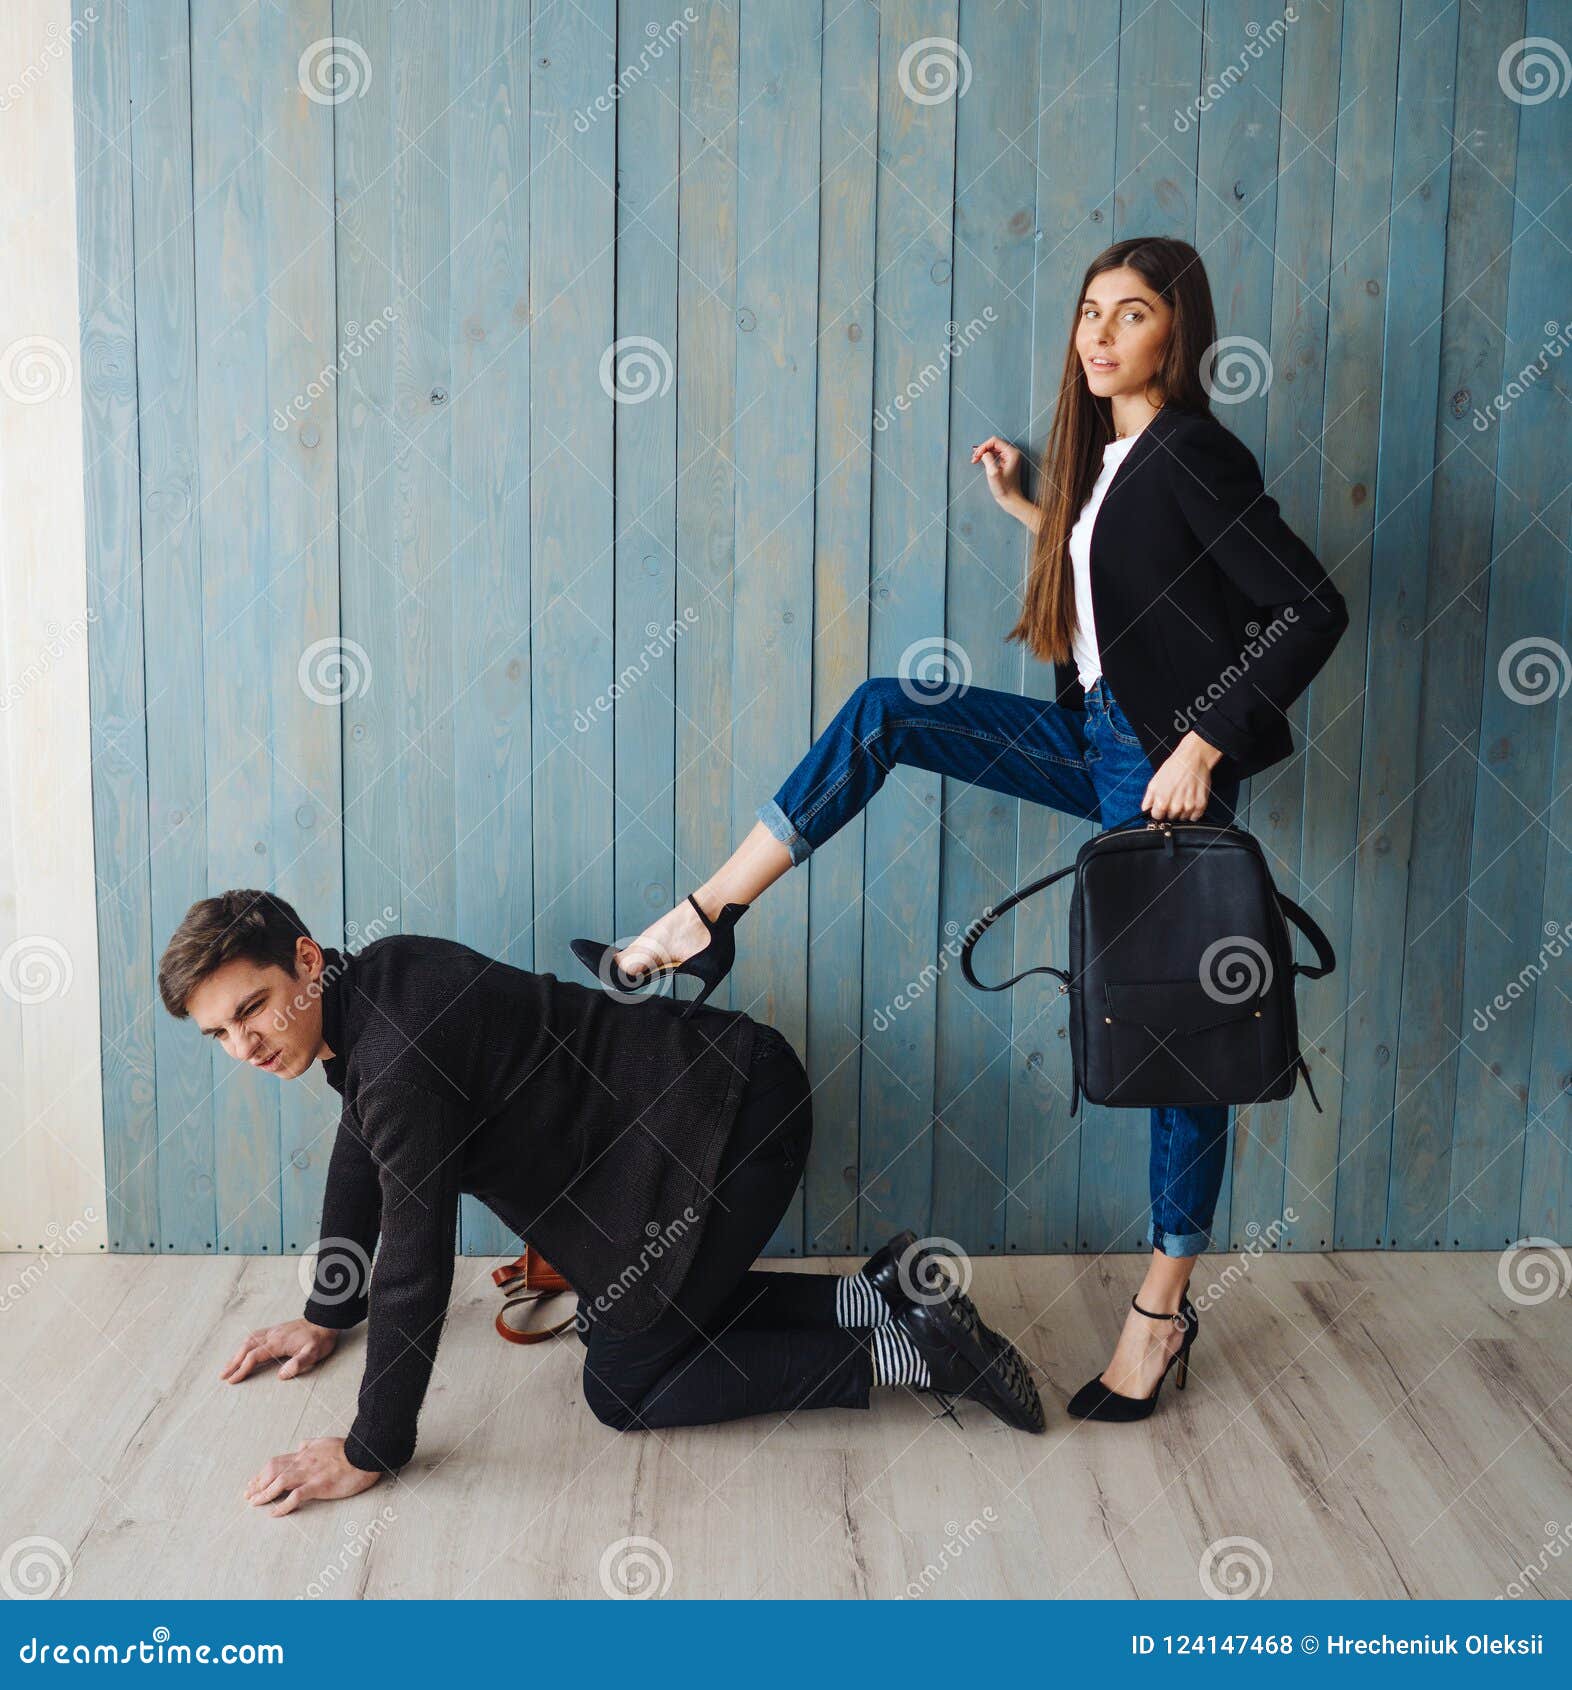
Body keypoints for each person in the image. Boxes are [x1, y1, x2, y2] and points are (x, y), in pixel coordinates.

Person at [574, 235, 1350, 1423]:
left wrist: (1205, 745)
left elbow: (1308, 605)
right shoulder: (1116, 459)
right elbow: (1127, 594)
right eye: (1090, 310)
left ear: (1175, 334)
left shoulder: (1196, 451)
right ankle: (705, 914)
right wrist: (1038, 509)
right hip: (1096, 744)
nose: (1099, 334)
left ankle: (1161, 1307)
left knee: (1182, 1055)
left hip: (1161, 772)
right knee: (891, 710)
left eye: (1130, 315)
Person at [156, 891, 1044, 1516]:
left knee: (625, 1384)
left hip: (727, 1122)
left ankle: (913, 1353)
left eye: (255, 1009)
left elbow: (415, 1272)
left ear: (305, 961)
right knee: (641, 1315)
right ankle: (886, 1294)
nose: (245, 1046)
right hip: (703, 1103)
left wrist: (370, 1446)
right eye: (221, 1034)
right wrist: (326, 1311)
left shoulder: (393, 1056)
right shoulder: (376, 983)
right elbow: (364, 1135)